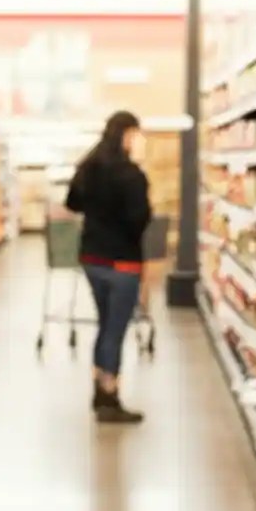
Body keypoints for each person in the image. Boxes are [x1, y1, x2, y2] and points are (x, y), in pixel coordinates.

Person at [64, 110, 151, 424]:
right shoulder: (132, 176)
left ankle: (99, 389)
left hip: (92, 258)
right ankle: (109, 395)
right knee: (115, 329)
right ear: (128, 134)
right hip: (123, 262)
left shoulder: (89, 166)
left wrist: (97, 212)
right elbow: (139, 220)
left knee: (106, 325)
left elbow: (72, 203)